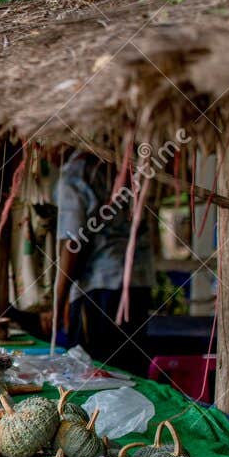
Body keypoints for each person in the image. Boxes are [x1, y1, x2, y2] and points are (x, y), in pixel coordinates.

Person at [52, 151, 156, 375]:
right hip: (137, 280)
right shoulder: (124, 166)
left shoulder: (75, 174)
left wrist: (58, 304)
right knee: (128, 371)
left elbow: (73, 244)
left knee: (91, 374)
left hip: (100, 288)